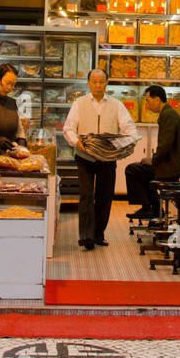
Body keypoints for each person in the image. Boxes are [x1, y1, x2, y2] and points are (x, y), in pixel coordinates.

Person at [62, 68, 139, 250]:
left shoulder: (116, 105)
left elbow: (131, 131)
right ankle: (86, 237)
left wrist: (117, 146)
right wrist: (76, 142)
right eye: (94, 81)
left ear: (106, 83)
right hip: (84, 157)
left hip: (108, 159)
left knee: (105, 197)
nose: (98, 84)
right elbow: (68, 128)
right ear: (88, 83)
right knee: (86, 196)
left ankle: (99, 234)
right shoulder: (79, 104)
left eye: (101, 81)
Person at [125, 85, 180, 220]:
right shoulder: (169, 113)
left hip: (171, 168)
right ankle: (153, 209)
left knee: (132, 170)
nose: (147, 104)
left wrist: (153, 160)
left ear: (157, 99)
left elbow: (165, 145)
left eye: (148, 100)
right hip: (173, 164)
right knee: (143, 170)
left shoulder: (168, 115)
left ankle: (148, 209)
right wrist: (153, 160)